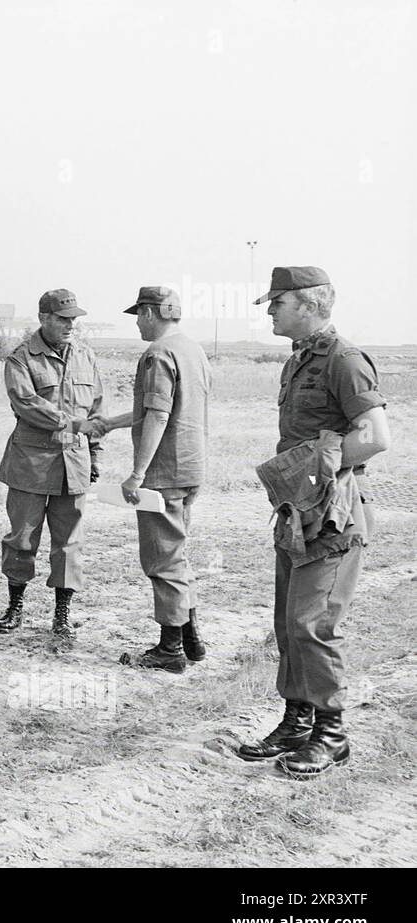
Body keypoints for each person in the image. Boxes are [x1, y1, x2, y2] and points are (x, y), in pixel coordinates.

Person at [236, 267, 389, 778]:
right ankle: (296, 720)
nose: (269, 310)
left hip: (334, 511)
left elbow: (375, 436)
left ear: (306, 303)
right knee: (288, 623)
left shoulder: (344, 360)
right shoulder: (301, 361)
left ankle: (332, 733)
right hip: (299, 512)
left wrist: (313, 468)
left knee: (314, 624)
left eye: (276, 302)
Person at [94, 287, 212, 671]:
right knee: (177, 554)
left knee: (163, 560)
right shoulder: (192, 350)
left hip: (164, 472)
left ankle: (170, 649)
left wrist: (137, 474)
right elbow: (157, 411)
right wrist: (110, 424)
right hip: (190, 467)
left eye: (139, 315)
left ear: (150, 313)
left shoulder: (158, 353)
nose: (138, 324)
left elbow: (159, 416)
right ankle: (190, 637)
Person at [0, 289, 103, 649]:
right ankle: (15, 606)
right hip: (31, 463)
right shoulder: (21, 358)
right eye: (62, 319)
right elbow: (26, 403)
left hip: (74, 463)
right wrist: (71, 423)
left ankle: (62, 615)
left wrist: (95, 454)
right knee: (22, 539)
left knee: (69, 543)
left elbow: (97, 411)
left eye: (74, 319)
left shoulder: (86, 357)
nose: (70, 325)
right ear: (43, 318)